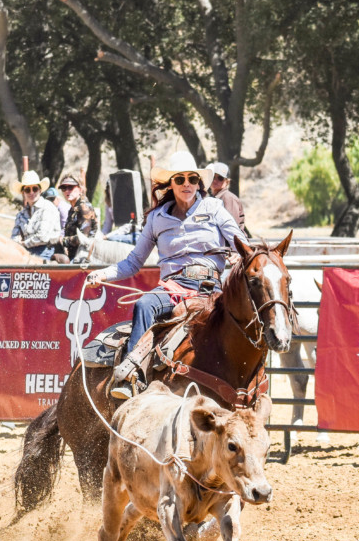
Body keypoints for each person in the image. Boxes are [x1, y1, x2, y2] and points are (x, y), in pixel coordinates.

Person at [85, 151, 248, 400]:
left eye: (192, 179)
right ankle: (131, 376)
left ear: (199, 183)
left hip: (210, 289)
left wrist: (238, 254)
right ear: (171, 183)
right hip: (173, 288)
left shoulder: (215, 208)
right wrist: (103, 274)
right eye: (180, 179)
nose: (187, 184)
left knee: (240, 319)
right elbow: (133, 262)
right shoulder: (156, 218)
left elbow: (241, 242)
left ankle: (248, 381)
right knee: (144, 304)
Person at [10, 170, 62, 261]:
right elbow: (14, 238)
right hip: (24, 253)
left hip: (46, 252)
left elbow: (42, 237)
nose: (31, 192)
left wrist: (23, 243)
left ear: (40, 190)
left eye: (35, 189)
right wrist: (20, 243)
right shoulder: (20, 214)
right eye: (27, 190)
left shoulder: (48, 208)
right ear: (23, 193)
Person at [55, 174, 98, 260]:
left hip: (85, 256)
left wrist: (62, 240)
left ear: (80, 189)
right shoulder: (73, 208)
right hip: (76, 254)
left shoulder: (84, 207)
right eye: (64, 188)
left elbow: (83, 238)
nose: (67, 191)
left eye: (70, 187)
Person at [206, 161, 248, 234]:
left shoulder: (228, 198)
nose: (215, 180)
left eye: (220, 178)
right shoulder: (213, 198)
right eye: (213, 177)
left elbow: (231, 227)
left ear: (227, 182)